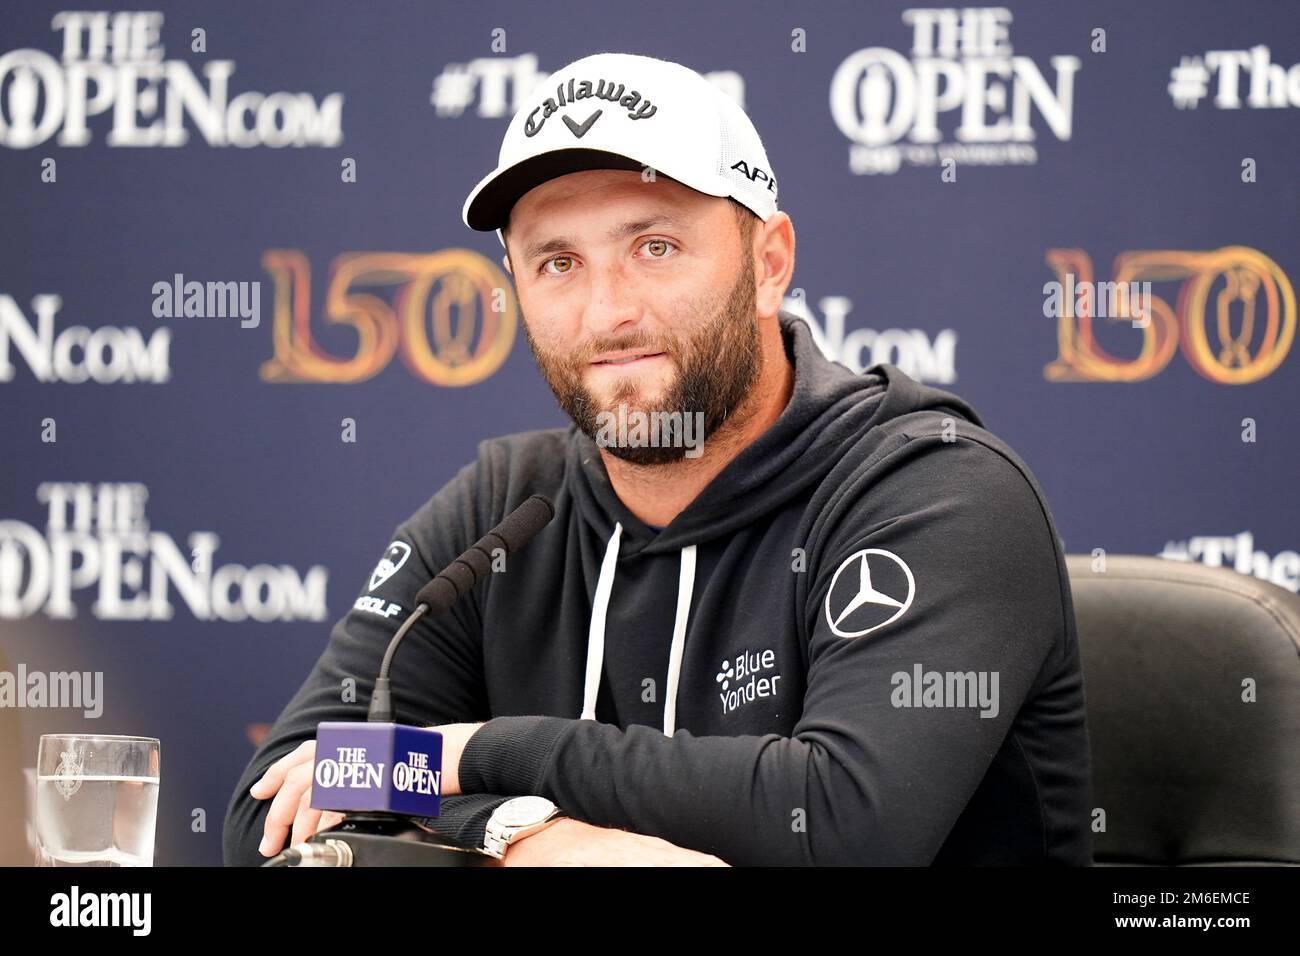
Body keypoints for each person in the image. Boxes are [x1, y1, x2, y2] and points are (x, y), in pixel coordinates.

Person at [223, 51, 1093, 867]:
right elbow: (279, 809)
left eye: (655, 247)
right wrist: (527, 835)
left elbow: (845, 822)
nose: (609, 313)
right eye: (557, 262)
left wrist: (487, 751)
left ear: (768, 262)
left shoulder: (936, 490)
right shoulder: (502, 508)